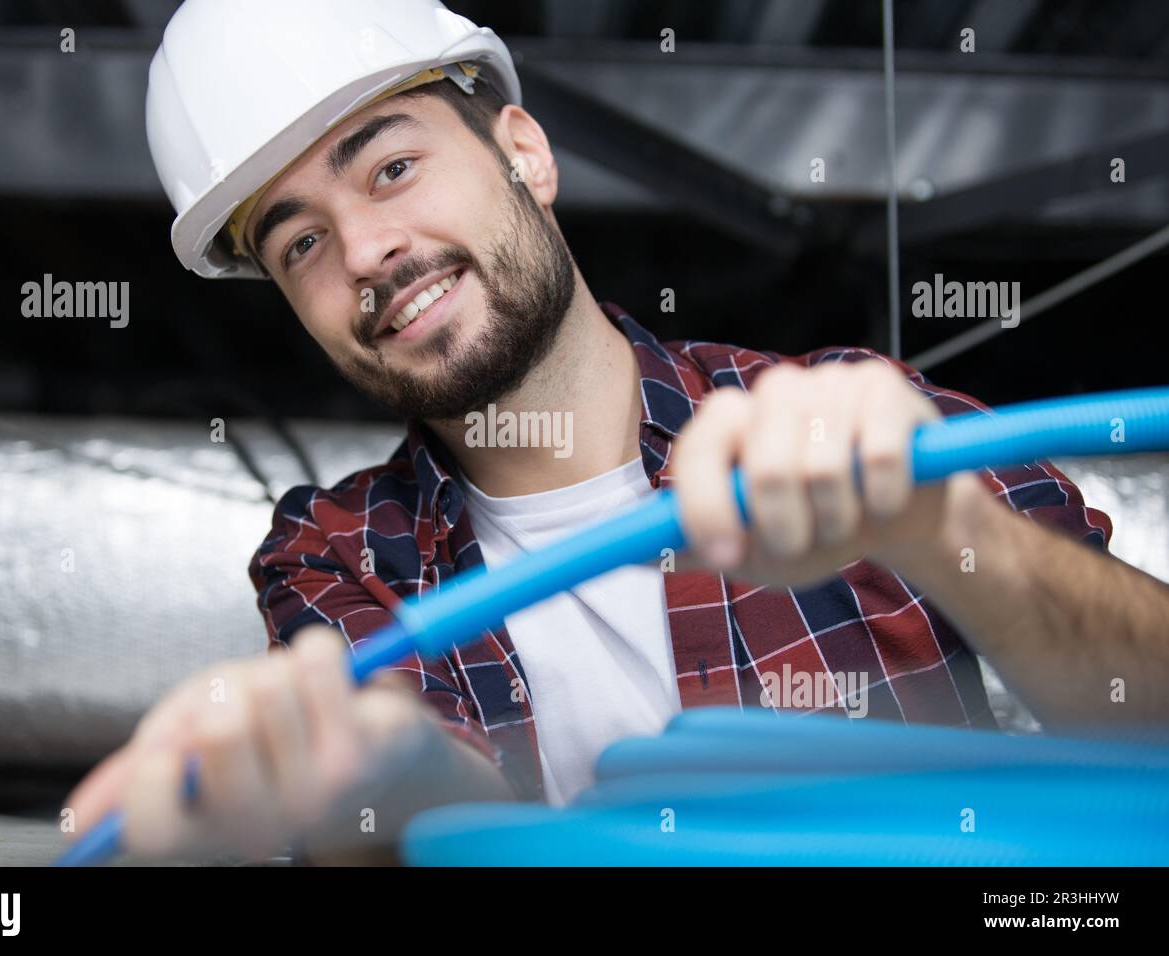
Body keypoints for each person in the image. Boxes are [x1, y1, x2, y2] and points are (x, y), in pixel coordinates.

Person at [65, 0, 1169, 863]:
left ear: (524, 154)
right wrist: (373, 757)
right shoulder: (335, 551)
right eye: (299, 242)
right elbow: (427, 808)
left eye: (391, 167)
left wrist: (936, 525)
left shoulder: (855, 412)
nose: (364, 251)